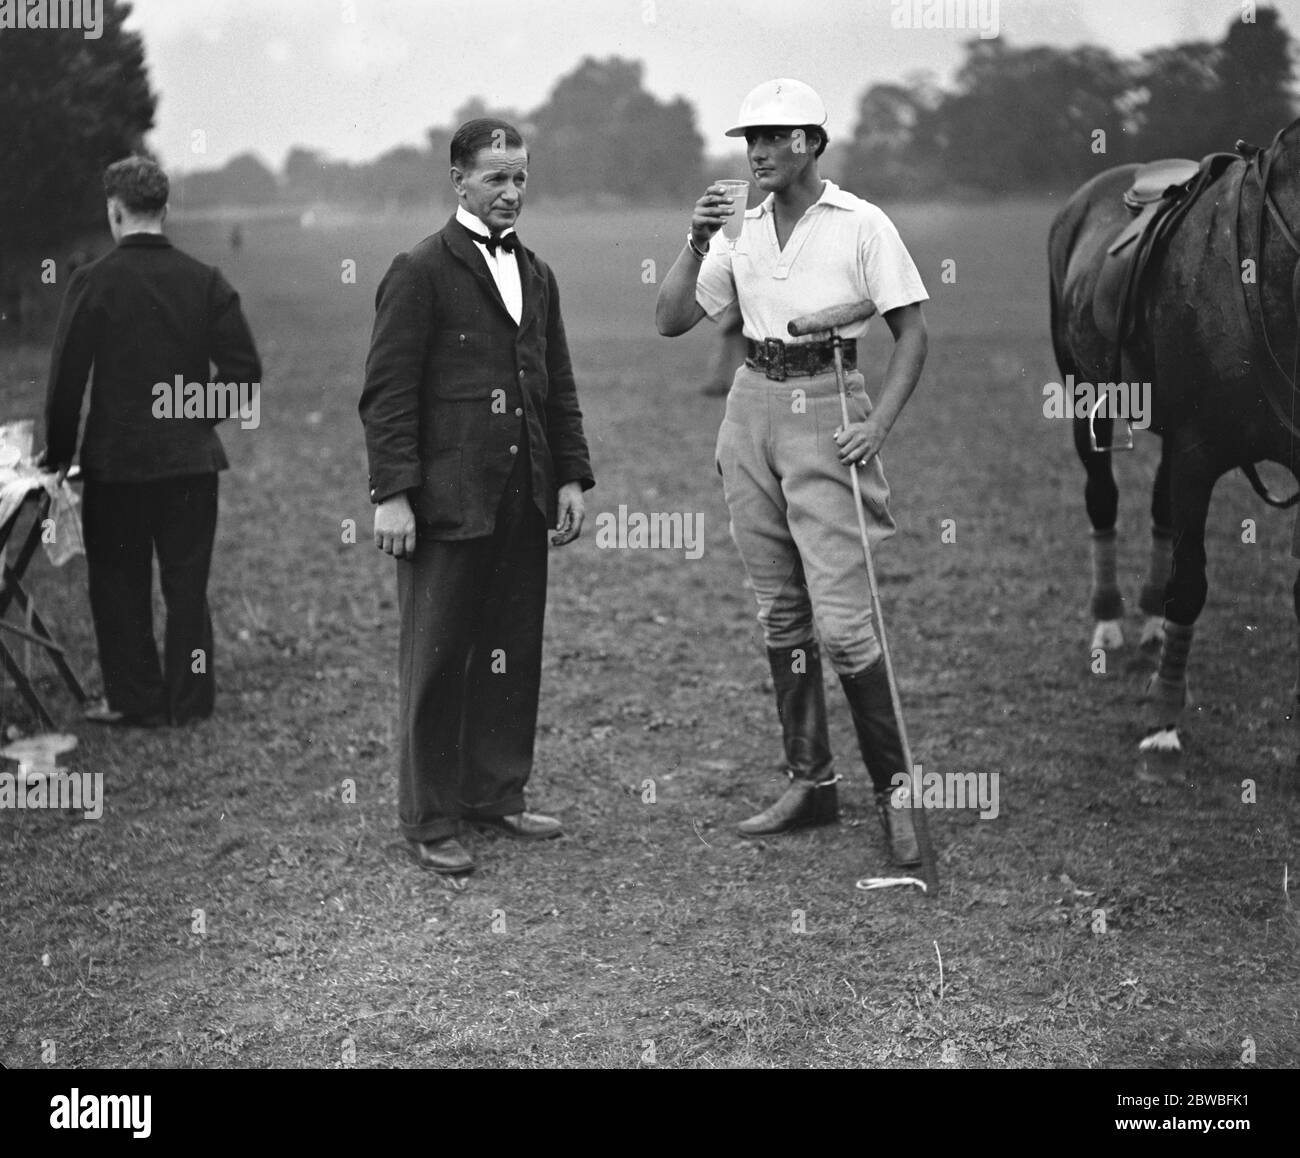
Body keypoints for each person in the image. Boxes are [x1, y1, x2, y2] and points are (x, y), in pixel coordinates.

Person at [655, 79, 929, 865]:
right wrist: (694, 237)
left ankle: (897, 797)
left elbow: (911, 335)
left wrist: (876, 424)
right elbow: (672, 320)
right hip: (749, 408)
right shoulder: (737, 231)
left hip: (826, 405)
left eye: (775, 137)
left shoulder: (861, 224)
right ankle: (811, 784)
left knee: (843, 627)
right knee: (781, 615)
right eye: (750, 140)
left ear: (813, 141)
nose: (759, 152)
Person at [359, 118, 595, 876]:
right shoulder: (420, 269)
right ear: (458, 179)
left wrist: (569, 476)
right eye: (496, 177)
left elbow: (555, 387)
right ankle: (431, 819)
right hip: (444, 505)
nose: (511, 191)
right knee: (435, 661)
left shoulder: (538, 273)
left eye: (521, 176)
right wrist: (392, 493)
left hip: (521, 501)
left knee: (507, 651)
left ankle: (497, 792)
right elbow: (387, 394)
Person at [43, 155, 262, 727]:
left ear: (115, 212)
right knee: (187, 588)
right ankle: (190, 704)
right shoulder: (205, 280)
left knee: (119, 587)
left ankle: (136, 701)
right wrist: (189, 416)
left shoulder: (92, 282)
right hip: (190, 467)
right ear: (164, 210)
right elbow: (245, 375)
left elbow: (67, 382)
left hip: (115, 469)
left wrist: (58, 456)